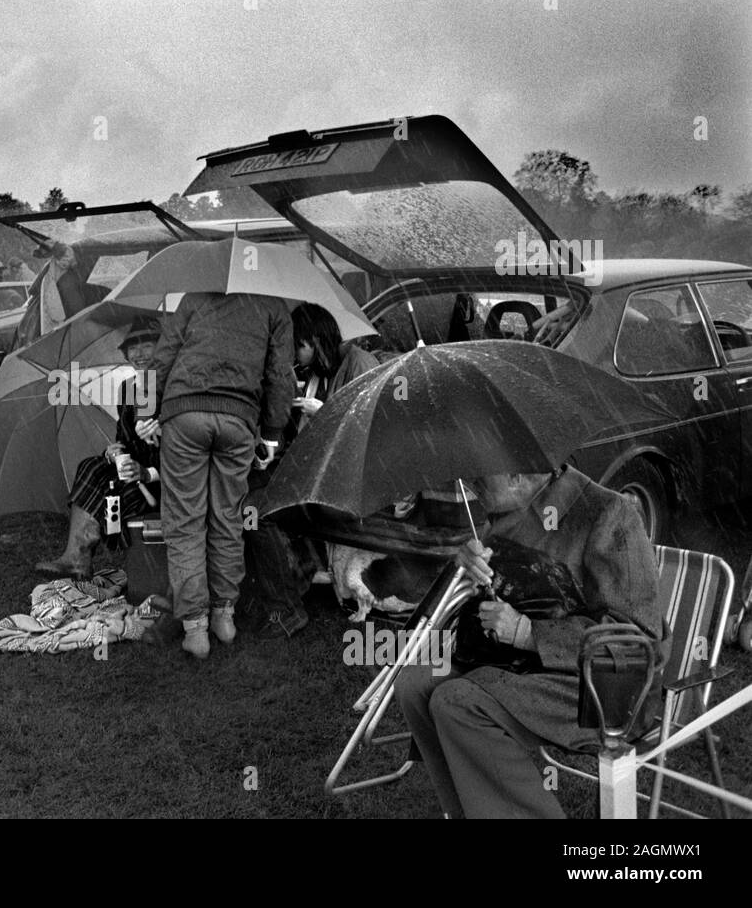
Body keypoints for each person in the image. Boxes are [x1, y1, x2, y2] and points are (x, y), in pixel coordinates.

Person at [395, 466, 666, 818]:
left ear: (516, 475)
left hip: (605, 684)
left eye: (479, 476)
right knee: (415, 684)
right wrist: (466, 567)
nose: (470, 486)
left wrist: (527, 633)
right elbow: (503, 595)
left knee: (458, 703)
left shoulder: (608, 513)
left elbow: (634, 637)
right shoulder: (509, 511)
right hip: (524, 665)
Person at [142, 292, 293, 659]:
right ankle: (224, 617)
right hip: (238, 419)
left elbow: (160, 360)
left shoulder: (196, 299)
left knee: (184, 521)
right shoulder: (274, 307)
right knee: (228, 519)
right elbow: (279, 374)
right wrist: (272, 433)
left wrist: (145, 410)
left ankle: (195, 630)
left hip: (185, 414)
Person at [240, 304, 378, 637]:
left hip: (344, 488)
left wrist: (325, 413)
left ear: (315, 339)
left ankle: (286, 607)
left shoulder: (360, 365)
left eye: (297, 345)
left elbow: (371, 437)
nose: (293, 353)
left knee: (256, 512)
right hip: (316, 476)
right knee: (245, 492)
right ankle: (281, 579)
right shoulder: (319, 371)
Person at [35, 317, 163, 580]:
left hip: (166, 479)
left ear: (162, 348)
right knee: (92, 465)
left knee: (110, 490)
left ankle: (80, 556)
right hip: (132, 472)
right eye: (133, 347)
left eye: (147, 345)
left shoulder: (172, 387)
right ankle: (76, 557)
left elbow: (185, 452)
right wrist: (114, 451)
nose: (139, 353)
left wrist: (147, 471)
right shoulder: (128, 388)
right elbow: (124, 438)